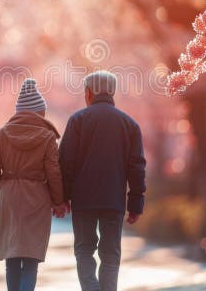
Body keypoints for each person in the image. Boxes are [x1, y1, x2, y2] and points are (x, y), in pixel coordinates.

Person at [59, 70, 146, 291]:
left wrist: (63, 197)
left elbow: (65, 163)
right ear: (112, 92)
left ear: (89, 93)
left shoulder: (77, 120)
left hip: (83, 200)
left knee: (84, 250)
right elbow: (136, 168)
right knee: (110, 254)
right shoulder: (130, 125)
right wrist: (135, 204)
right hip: (113, 200)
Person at [0, 78, 68, 291]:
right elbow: (54, 172)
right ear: (40, 112)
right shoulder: (48, 137)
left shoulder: (2, 134)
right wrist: (58, 201)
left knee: (11, 258)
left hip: (8, 196)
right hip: (36, 196)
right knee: (31, 259)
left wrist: (3, 183)